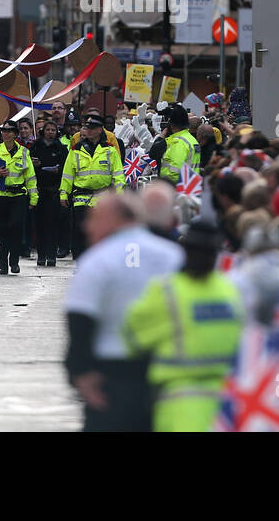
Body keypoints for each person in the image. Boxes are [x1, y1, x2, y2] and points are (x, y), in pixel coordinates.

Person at [63, 191, 184, 431]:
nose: (86, 226)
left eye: (93, 218)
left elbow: (79, 319)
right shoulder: (174, 256)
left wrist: (79, 372)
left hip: (113, 376)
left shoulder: (98, 260)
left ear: (114, 218)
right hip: (168, 371)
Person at [123, 216, 243, 431]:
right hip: (228, 404)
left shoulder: (165, 290)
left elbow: (133, 337)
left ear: (184, 250)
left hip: (178, 401)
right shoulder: (232, 290)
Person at [60, 116, 123, 261]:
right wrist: (64, 194)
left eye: (92, 128)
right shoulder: (76, 150)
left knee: (101, 233)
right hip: (81, 198)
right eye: (87, 127)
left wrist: (119, 195)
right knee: (80, 232)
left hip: (102, 198)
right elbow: (68, 174)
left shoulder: (110, 150)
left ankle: (98, 262)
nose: (88, 130)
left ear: (100, 130)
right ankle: (80, 262)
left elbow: (118, 175)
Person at [0, 120, 37, 275]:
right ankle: (2, 264)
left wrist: (34, 198)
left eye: (9, 130)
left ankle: (14, 261)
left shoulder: (24, 152)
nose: (5, 133)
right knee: (1, 230)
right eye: (3, 130)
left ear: (15, 133)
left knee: (15, 228)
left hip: (18, 196)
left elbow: (30, 177)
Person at [30, 119, 67, 266]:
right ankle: (41, 255)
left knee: (53, 225)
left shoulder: (61, 148)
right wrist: (35, 166)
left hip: (54, 191)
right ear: (43, 131)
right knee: (40, 225)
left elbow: (65, 168)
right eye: (48, 130)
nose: (50, 132)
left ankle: (51, 255)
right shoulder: (35, 147)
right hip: (39, 190)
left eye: (53, 130)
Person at [150, 104, 198, 187]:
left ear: (171, 124)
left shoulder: (178, 142)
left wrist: (164, 186)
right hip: (189, 186)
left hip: (175, 188)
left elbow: (174, 172)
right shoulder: (190, 139)